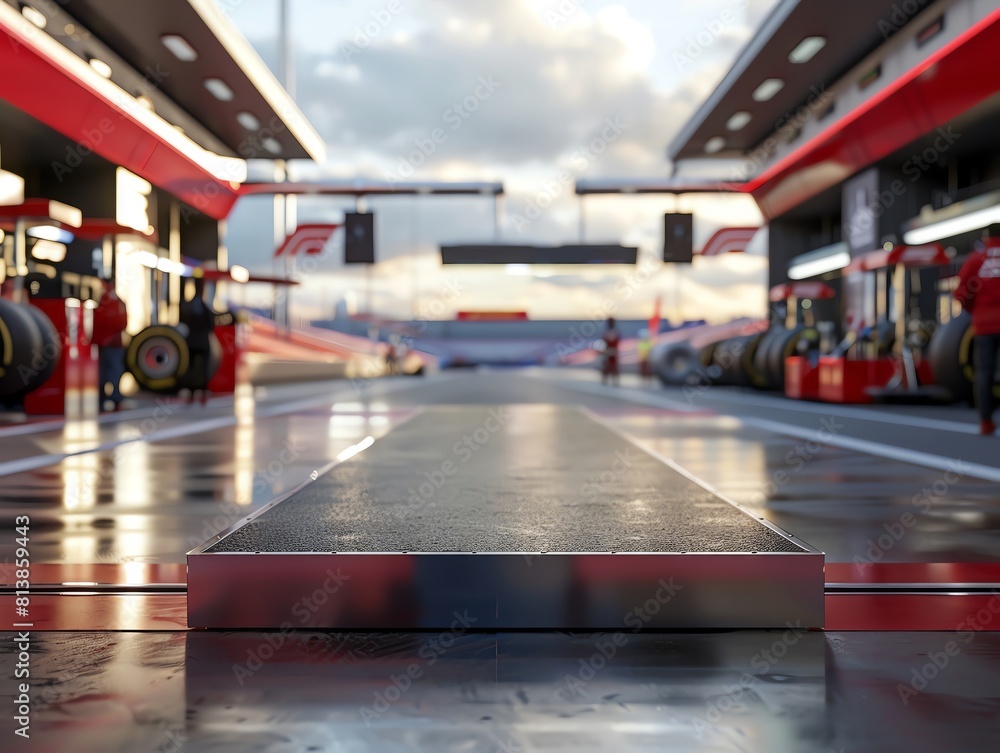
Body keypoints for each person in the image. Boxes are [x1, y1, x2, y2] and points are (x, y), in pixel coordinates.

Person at [955, 239, 1000, 435]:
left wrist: (976, 312)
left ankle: (986, 422)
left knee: (983, 372)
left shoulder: (976, 259)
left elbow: (961, 293)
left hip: (984, 326)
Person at [92, 281, 129, 411]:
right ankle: (114, 398)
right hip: (113, 342)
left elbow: (102, 320)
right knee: (113, 371)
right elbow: (122, 322)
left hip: (107, 342)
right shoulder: (115, 300)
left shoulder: (106, 300)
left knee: (105, 372)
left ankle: (104, 400)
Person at [179, 277, 216, 405]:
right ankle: (201, 392)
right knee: (203, 368)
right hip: (202, 342)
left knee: (191, 368)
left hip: (191, 342)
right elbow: (211, 325)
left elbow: (183, 322)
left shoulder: (188, 306)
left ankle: (192, 392)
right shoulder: (204, 306)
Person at [601, 317, 621, 386]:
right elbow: (604, 340)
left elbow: (617, 340)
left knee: (614, 366)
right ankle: (605, 379)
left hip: (614, 351)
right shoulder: (606, 331)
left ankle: (615, 380)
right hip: (607, 351)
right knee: (606, 366)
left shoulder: (616, 331)